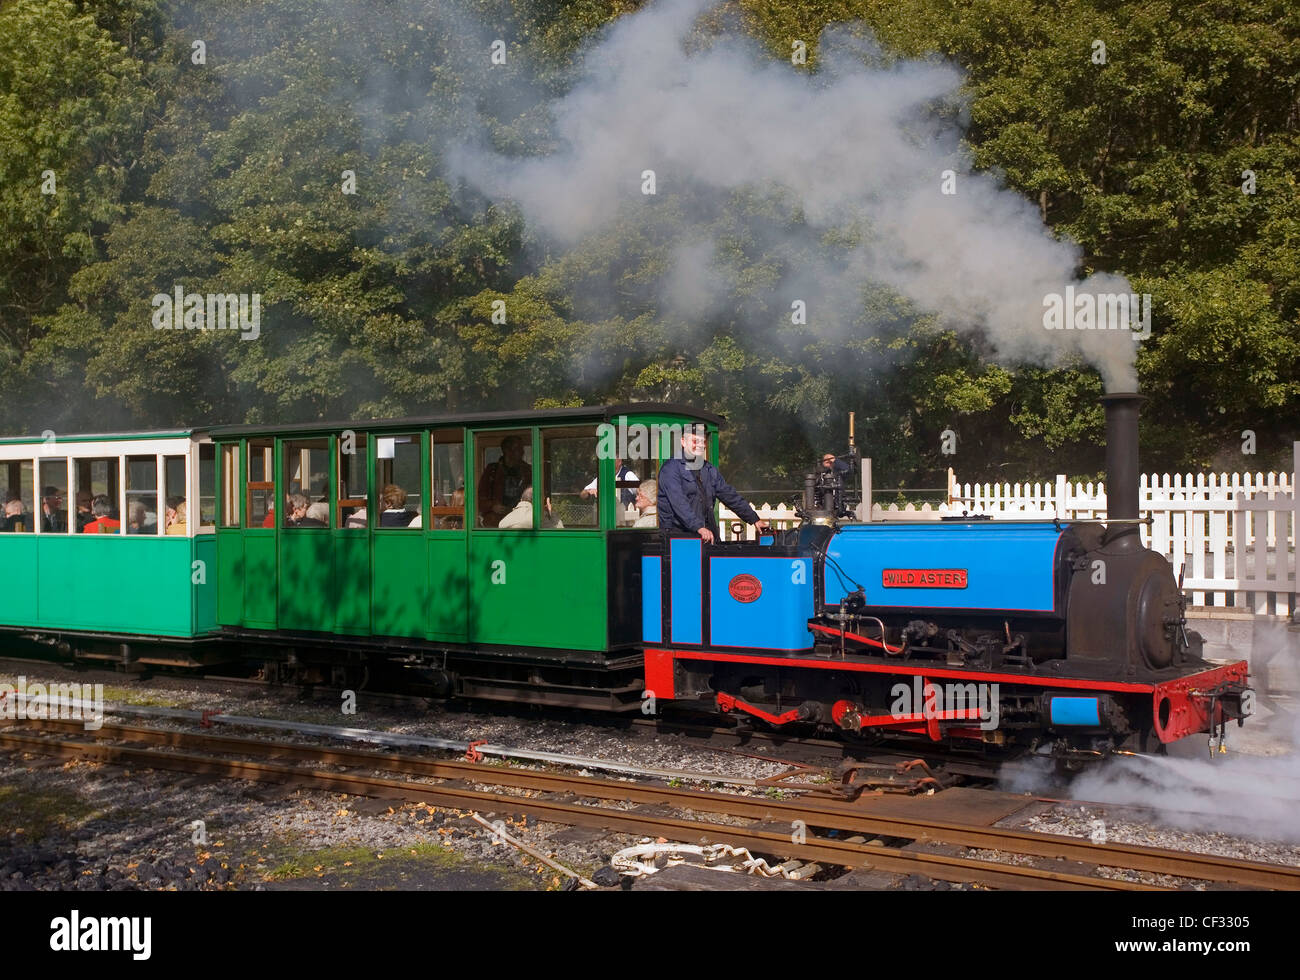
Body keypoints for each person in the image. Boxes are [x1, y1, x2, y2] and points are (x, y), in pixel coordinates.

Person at [657, 430, 768, 543]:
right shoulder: (670, 469)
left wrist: (754, 519)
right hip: (678, 537)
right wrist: (698, 527)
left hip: (706, 534)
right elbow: (679, 504)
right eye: (695, 441)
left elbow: (729, 495)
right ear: (683, 442)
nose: (700, 445)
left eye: (703, 442)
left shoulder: (709, 469)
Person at [477, 435, 531, 528]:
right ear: (507, 451)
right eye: (518, 448)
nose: (522, 452)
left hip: (521, 517)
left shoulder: (527, 470)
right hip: (496, 520)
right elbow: (480, 497)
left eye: (522, 449)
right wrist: (493, 506)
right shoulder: (492, 471)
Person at [497, 487, 563, 529]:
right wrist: (551, 512)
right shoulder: (540, 518)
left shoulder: (503, 521)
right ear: (538, 502)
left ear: (521, 499)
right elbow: (560, 533)